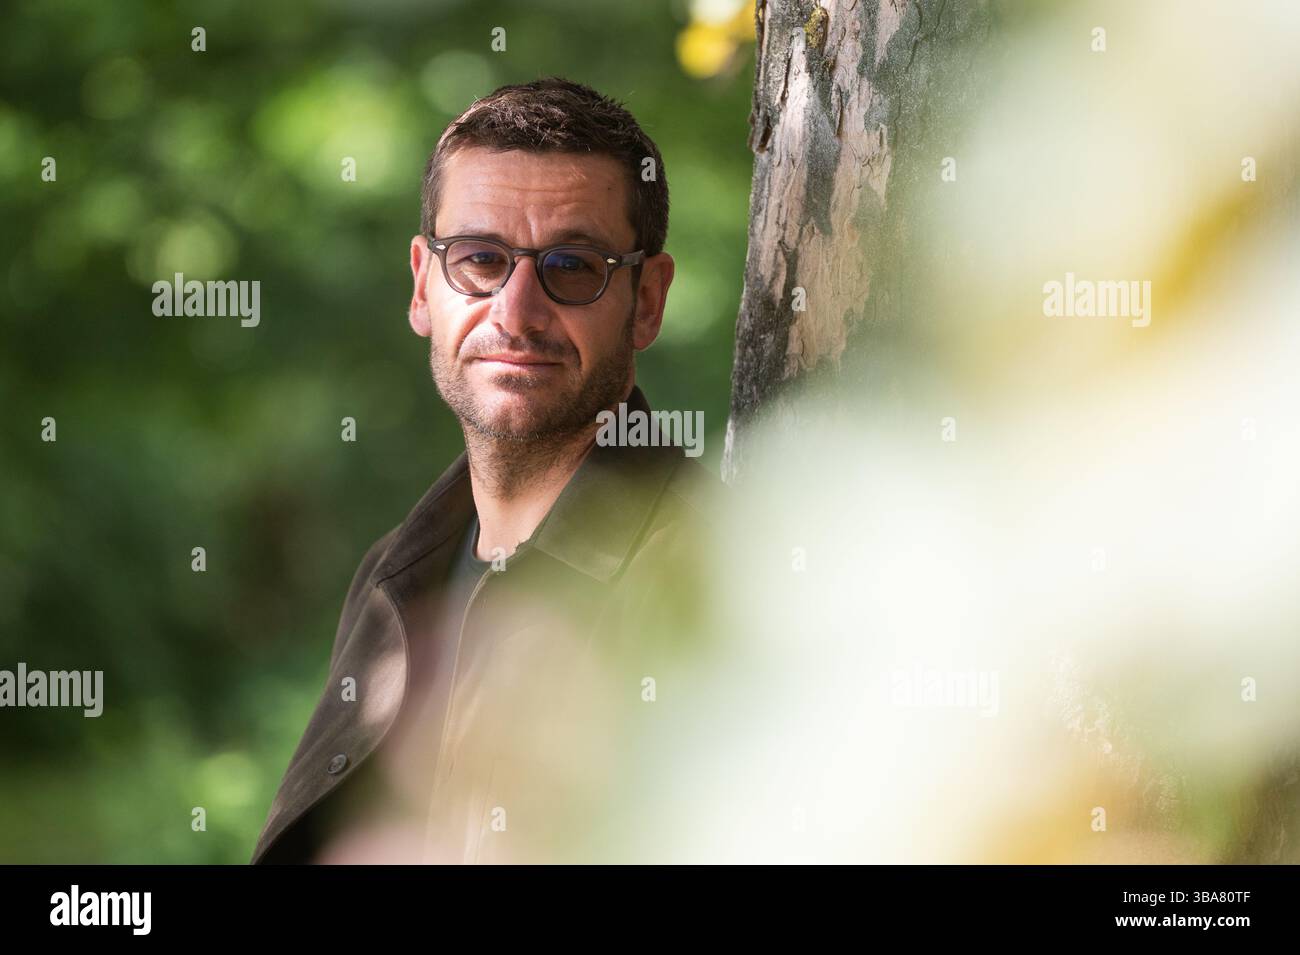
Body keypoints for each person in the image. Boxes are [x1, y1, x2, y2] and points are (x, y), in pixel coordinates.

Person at [250, 76, 719, 864]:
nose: (516, 310)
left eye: (573, 266)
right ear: (422, 283)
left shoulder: (716, 582)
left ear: (647, 299)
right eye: (479, 259)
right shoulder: (394, 575)